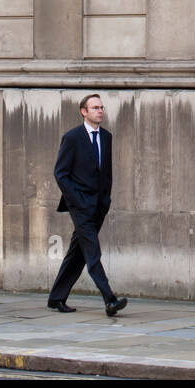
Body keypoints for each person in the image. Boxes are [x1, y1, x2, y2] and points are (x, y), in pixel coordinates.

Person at [47, 93, 127, 317]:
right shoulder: (72, 138)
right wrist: (77, 201)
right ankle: (109, 299)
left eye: (101, 107)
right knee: (92, 252)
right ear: (84, 112)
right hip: (80, 206)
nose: (100, 111)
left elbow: (106, 174)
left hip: (99, 205)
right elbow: (60, 173)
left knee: (78, 253)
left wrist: (105, 200)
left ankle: (56, 298)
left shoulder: (107, 137)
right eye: (95, 108)